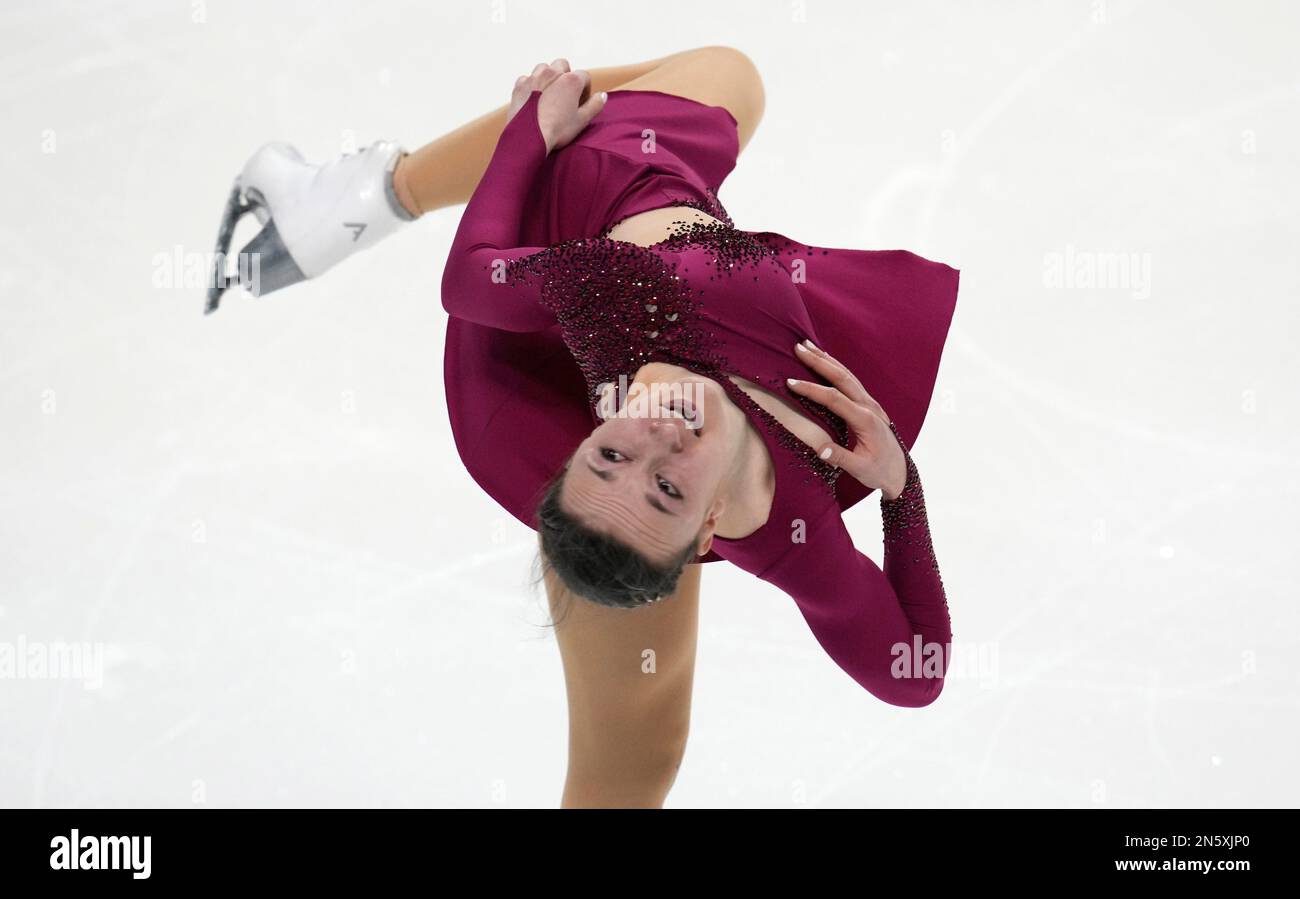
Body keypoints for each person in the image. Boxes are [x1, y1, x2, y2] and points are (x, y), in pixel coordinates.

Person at [206, 47, 960, 808]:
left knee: (731, 77)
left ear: (586, 437)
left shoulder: (619, 295)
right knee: (640, 758)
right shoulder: (786, 522)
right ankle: (359, 196)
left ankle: (366, 196)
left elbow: (471, 279)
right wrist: (901, 488)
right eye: (665, 487)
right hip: (633, 286)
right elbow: (915, 669)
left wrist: (527, 138)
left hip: (606, 177)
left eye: (608, 457)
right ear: (710, 531)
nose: (654, 440)